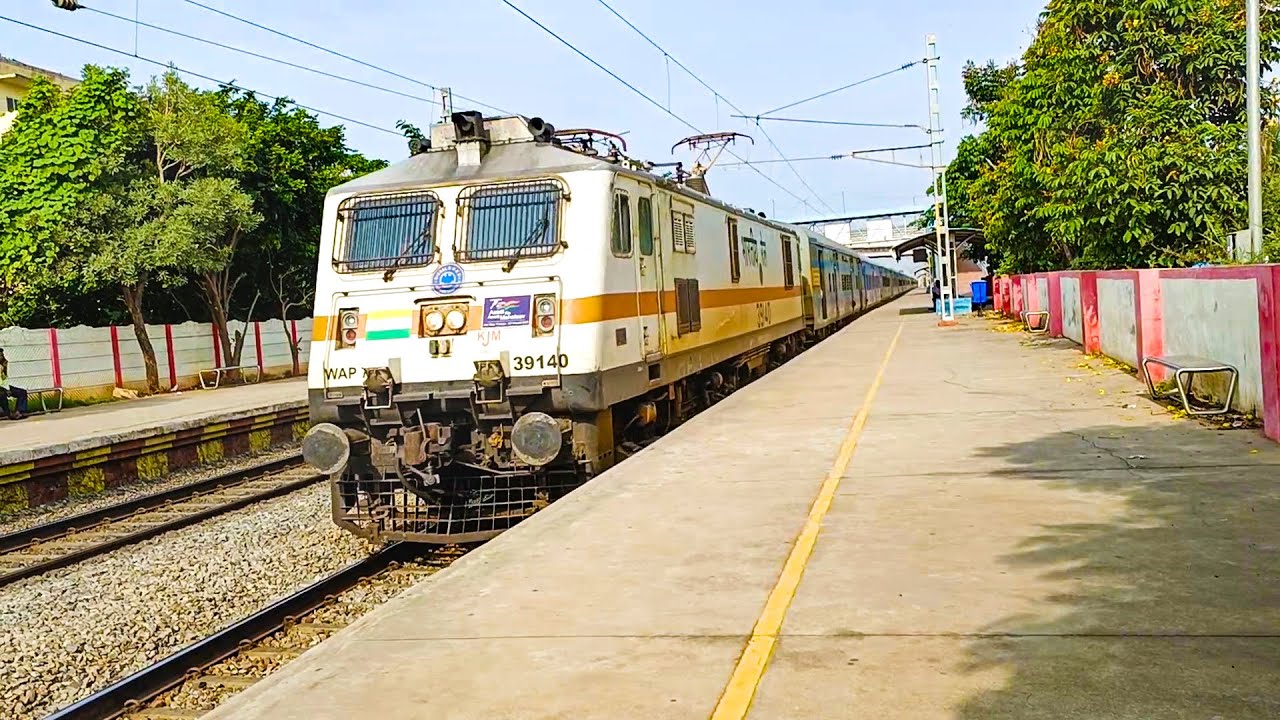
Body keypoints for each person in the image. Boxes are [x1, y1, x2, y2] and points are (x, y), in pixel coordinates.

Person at [0, 348, 28, 420]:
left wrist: (5, 368)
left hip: (5, 387)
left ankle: (20, 411)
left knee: (22, 392)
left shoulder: (2, 365)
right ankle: (9, 414)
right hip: (1, 389)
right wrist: (5, 390)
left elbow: (4, 379)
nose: (2, 357)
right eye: (0, 356)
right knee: (2, 395)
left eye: (2, 355)